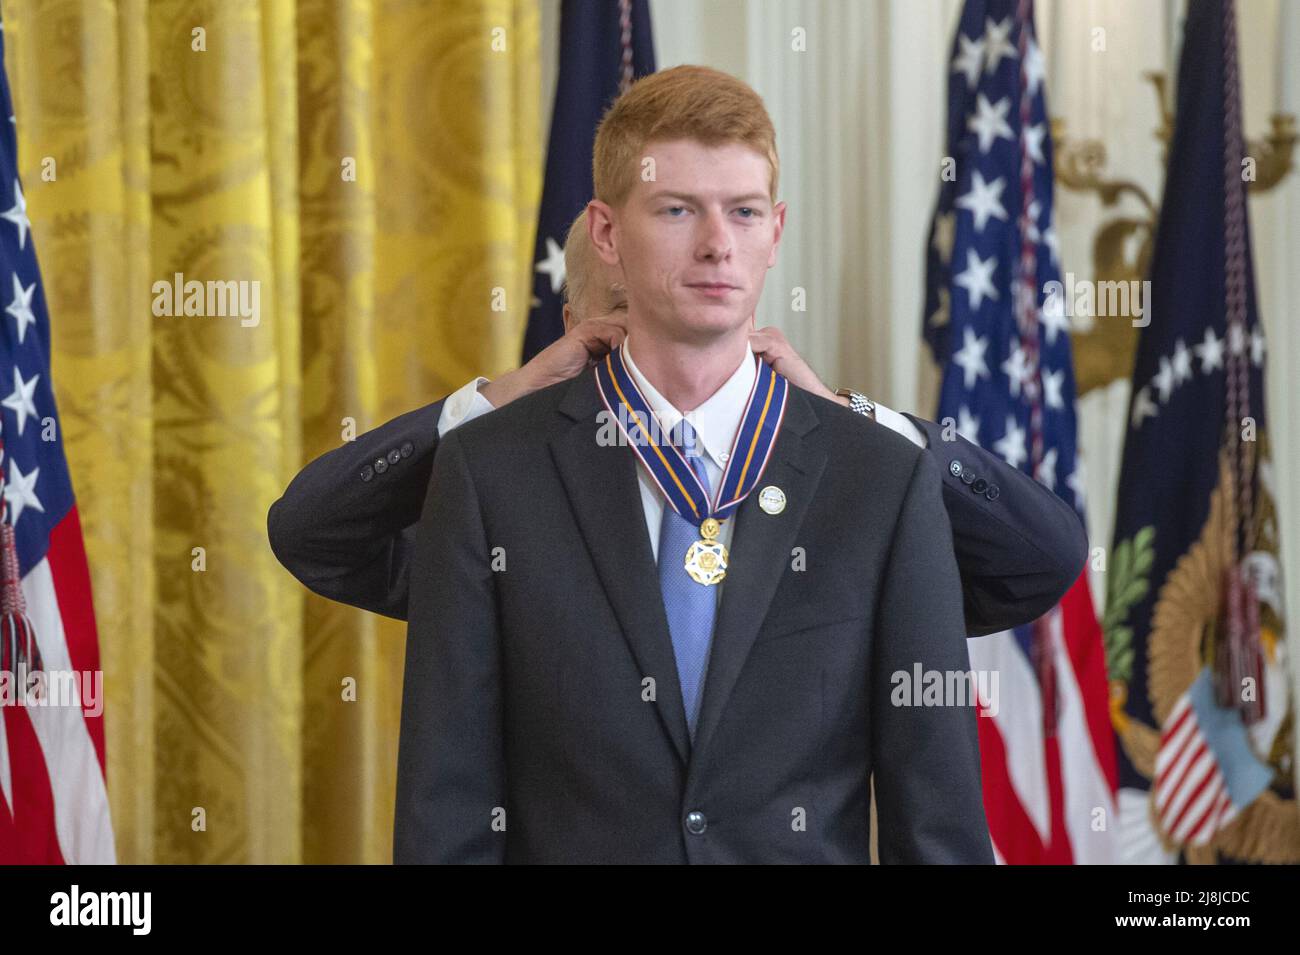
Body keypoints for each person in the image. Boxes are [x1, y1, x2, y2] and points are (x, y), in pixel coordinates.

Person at [391, 65, 1003, 863]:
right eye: (678, 210)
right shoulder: (488, 471)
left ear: (776, 232)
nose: (718, 243)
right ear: (607, 233)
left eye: (744, 212)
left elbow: (940, 825)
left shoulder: (882, 480)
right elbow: (447, 814)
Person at [267, 210, 1086, 633]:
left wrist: (849, 416)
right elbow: (313, 531)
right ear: (571, 322)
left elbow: (1040, 558)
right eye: (624, 310)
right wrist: (497, 399)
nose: (656, 339)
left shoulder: (836, 484)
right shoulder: (502, 498)